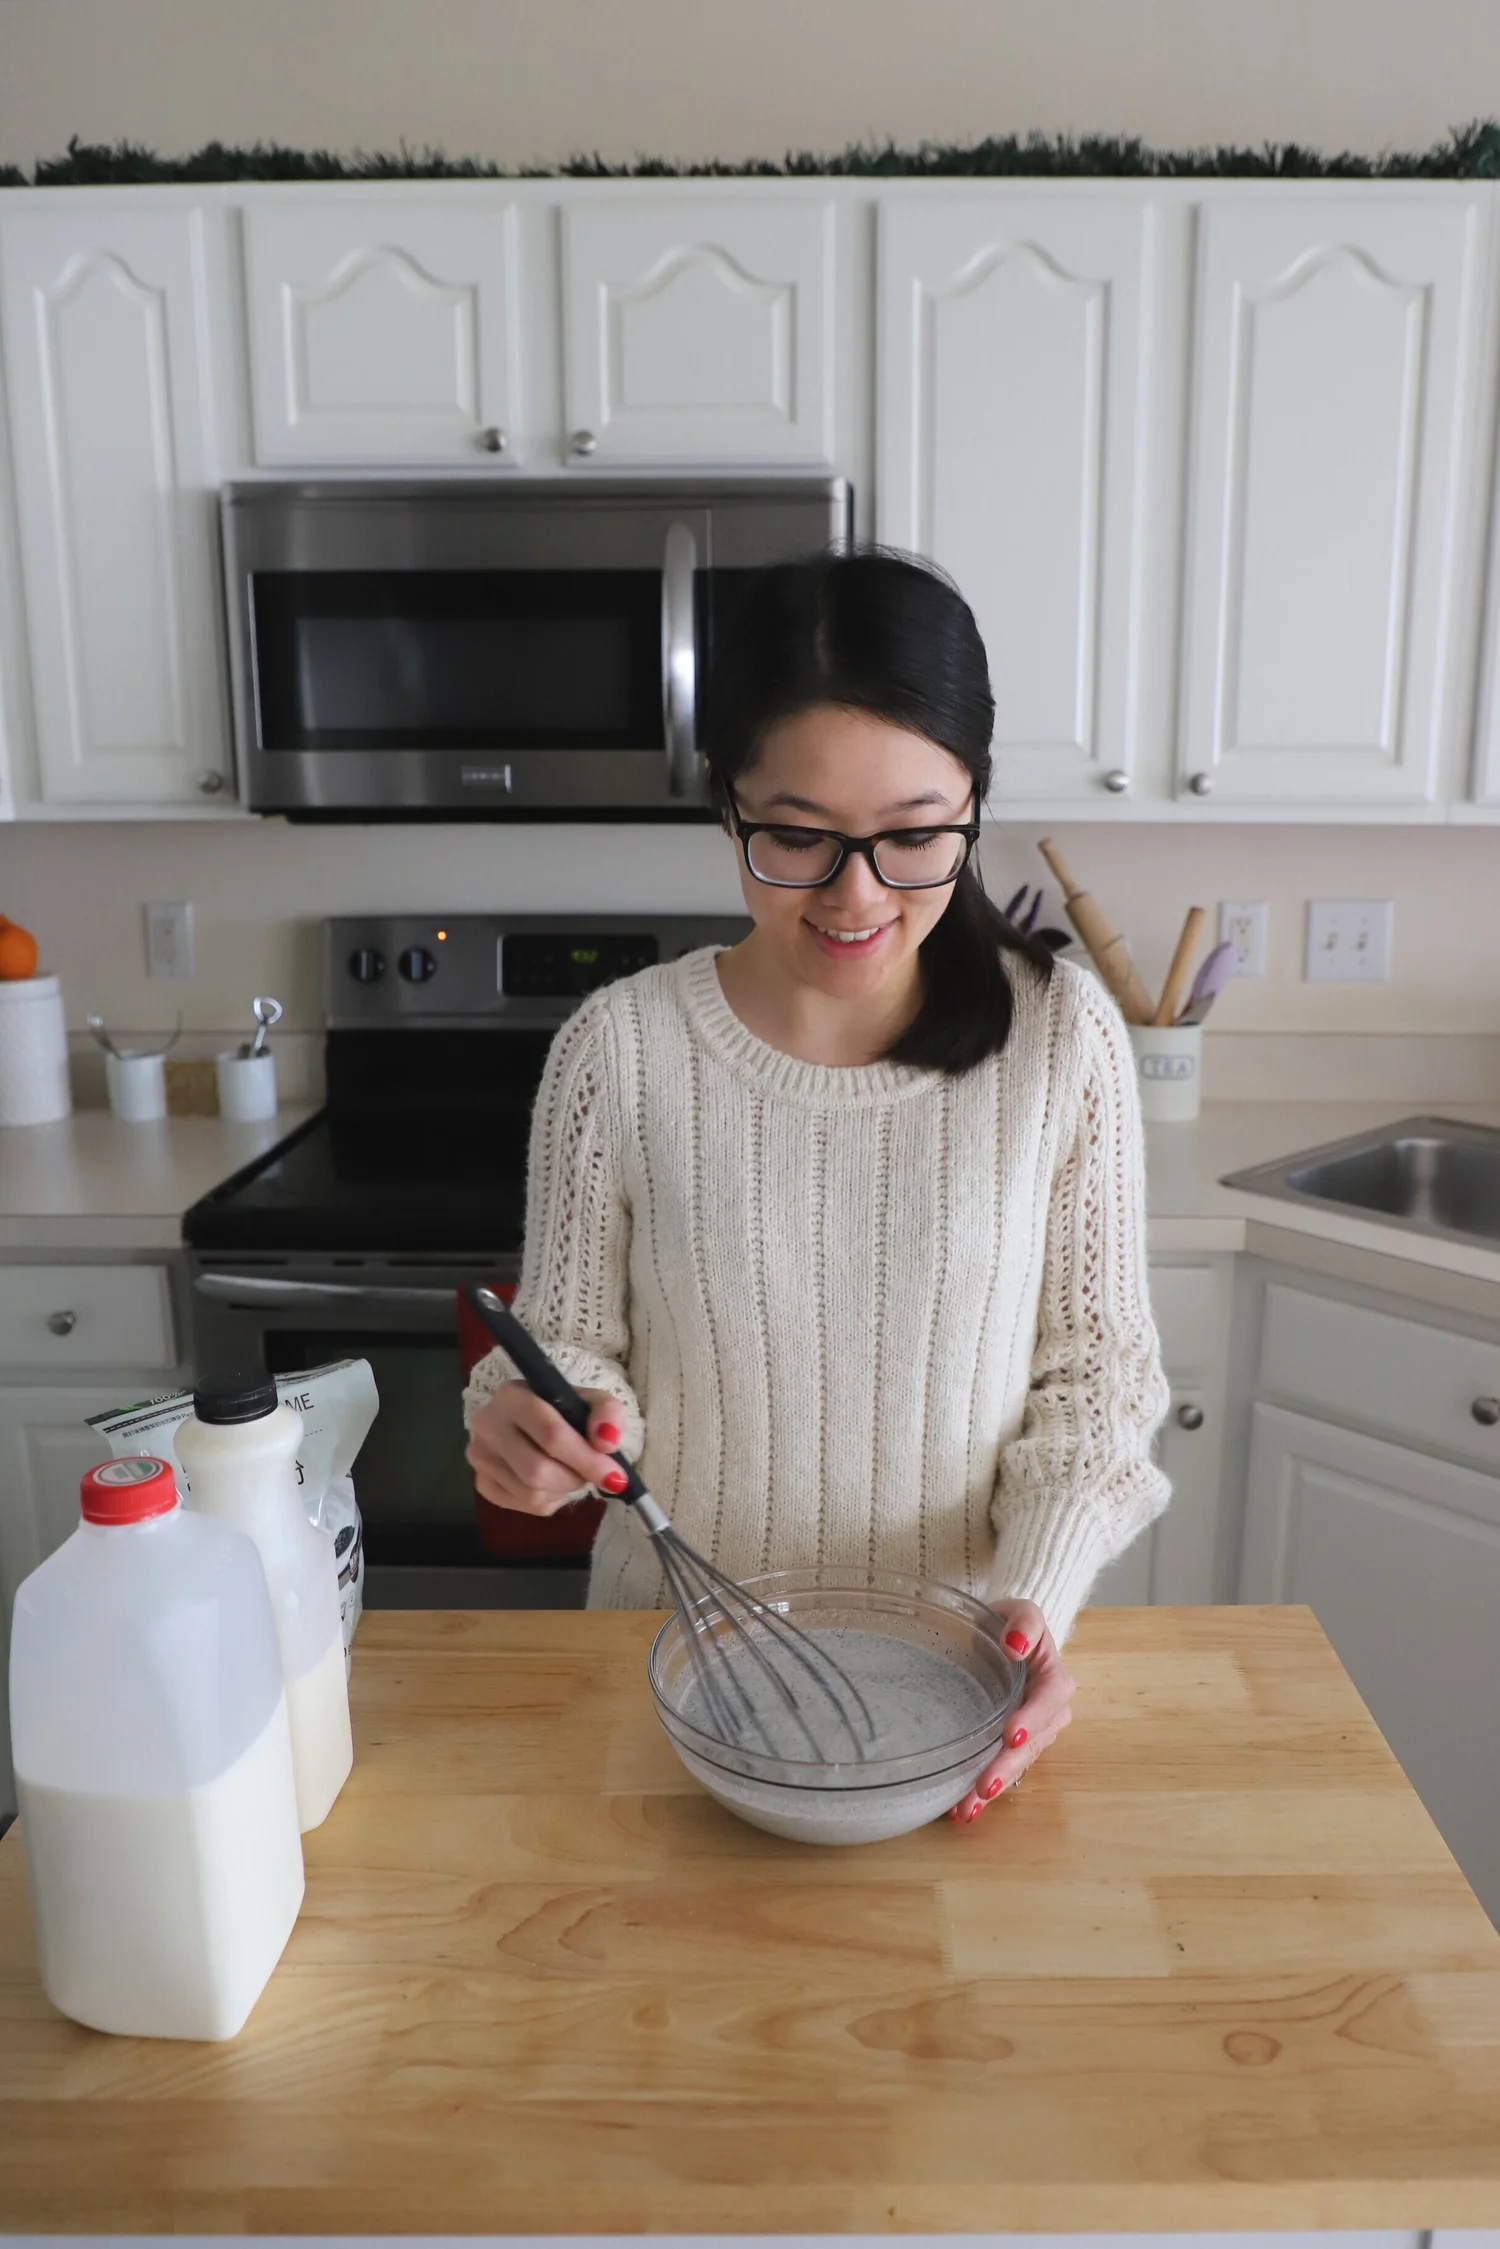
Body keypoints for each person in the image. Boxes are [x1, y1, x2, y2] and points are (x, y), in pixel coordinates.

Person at [464, 548, 1170, 1824]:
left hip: (957, 1691)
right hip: (668, 1677)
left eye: (916, 836)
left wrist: (1033, 1606)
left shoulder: (1062, 1038)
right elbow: (567, 1348)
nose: (857, 894)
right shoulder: (619, 1048)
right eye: (797, 835)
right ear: (726, 803)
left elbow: (1097, 1385)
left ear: (975, 804)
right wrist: (538, 1428)